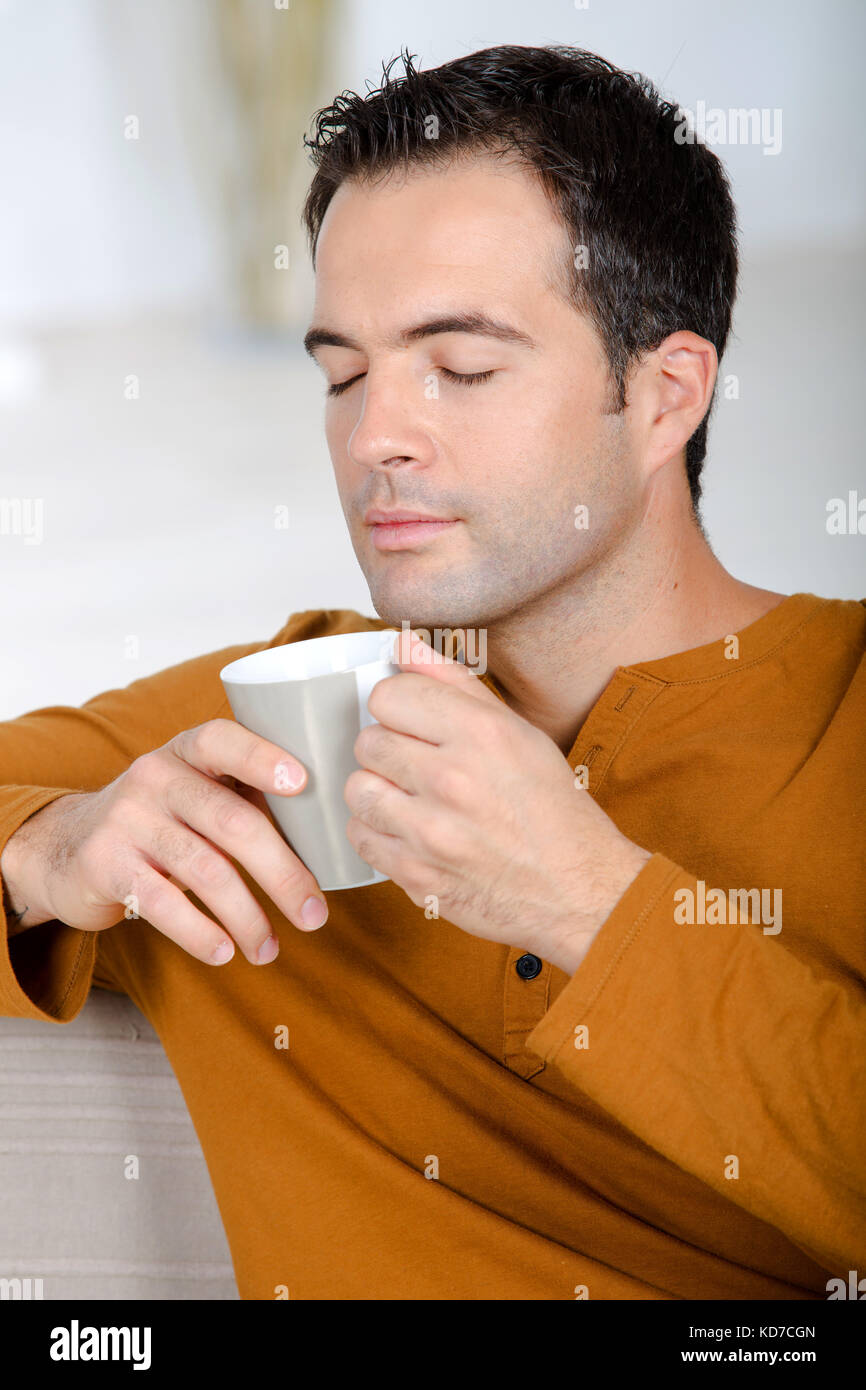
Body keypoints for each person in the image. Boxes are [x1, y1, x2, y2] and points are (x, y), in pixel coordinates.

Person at [1, 44, 863, 1301]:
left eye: (459, 368)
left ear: (665, 393)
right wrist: (47, 851)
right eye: (342, 373)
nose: (374, 437)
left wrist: (584, 901)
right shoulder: (273, 723)